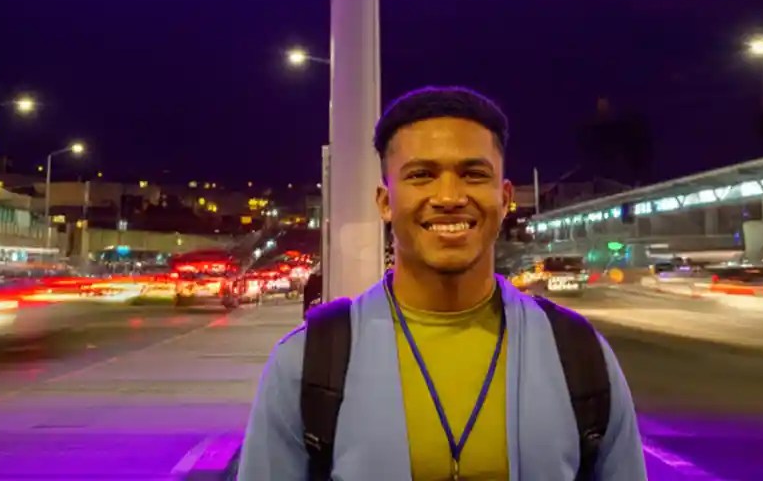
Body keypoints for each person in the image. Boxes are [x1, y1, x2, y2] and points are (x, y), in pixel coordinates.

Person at [237, 86, 646, 480]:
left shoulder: (578, 354)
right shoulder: (307, 362)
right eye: (421, 175)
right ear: (385, 201)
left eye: (472, 174)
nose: (449, 195)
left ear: (505, 199)